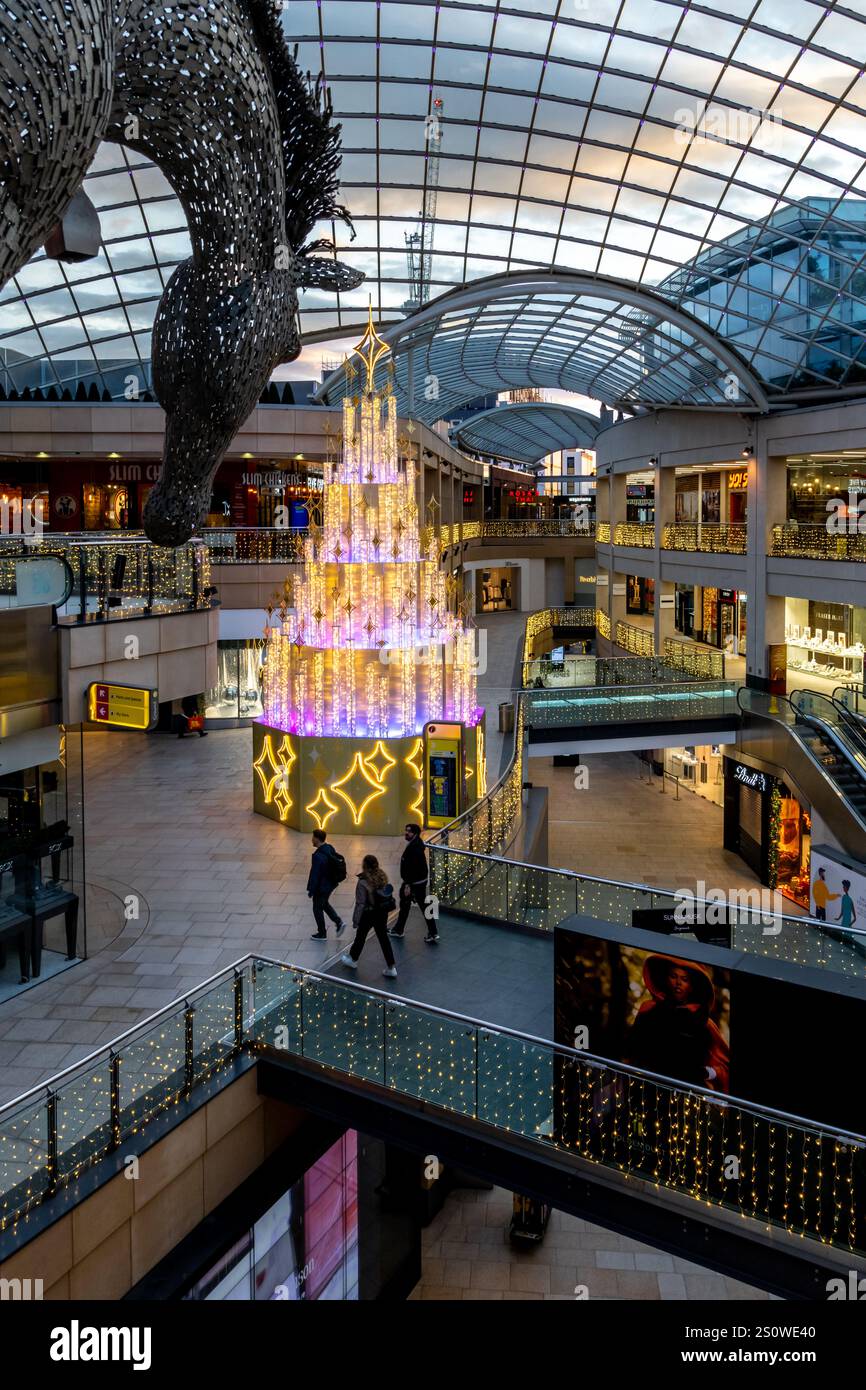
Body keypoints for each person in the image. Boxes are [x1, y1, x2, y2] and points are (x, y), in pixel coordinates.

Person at [623, 955, 729, 1093]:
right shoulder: (648, 1009)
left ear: (691, 986)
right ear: (666, 979)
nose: (678, 982)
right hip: (644, 1089)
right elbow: (631, 1050)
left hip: (684, 1097)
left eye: (684, 979)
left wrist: (706, 1072)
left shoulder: (704, 1023)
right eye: (673, 976)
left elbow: (724, 1066)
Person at [340, 855, 398, 978]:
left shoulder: (363, 881)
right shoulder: (382, 876)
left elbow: (360, 903)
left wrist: (356, 920)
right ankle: (391, 967)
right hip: (381, 912)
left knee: (360, 936)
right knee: (384, 939)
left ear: (364, 865)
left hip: (369, 913)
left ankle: (353, 959)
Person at [389, 822, 437, 943]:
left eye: (409, 831)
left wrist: (408, 885)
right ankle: (432, 932)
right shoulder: (417, 844)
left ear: (414, 833)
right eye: (406, 830)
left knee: (409, 905)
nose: (406, 833)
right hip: (418, 882)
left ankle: (400, 930)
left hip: (413, 883)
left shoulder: (414, 848)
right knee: (413, 906)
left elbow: (412, 868)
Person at [306, 830, 346, 940]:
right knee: (323, 903)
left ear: (317, 839)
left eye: (313, 837)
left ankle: (322, 933)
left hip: (322, 886)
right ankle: (338, 922)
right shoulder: (329, 848)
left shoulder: (318, 856)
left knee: (317, 908)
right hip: (331, 883)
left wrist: (311, 890)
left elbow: (315, 874)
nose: (311, 840)